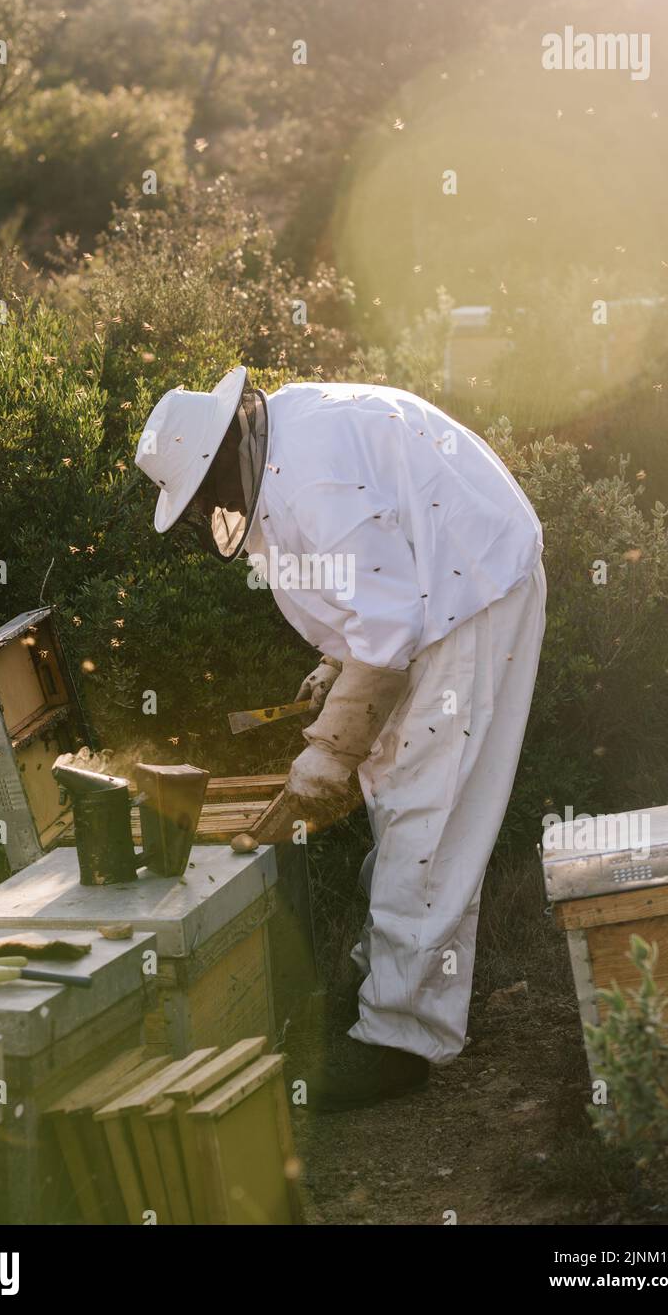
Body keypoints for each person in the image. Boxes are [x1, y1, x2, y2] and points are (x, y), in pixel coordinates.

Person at [135, 366, 546, 1110]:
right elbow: (374, 584)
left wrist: (328, 752)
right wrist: (334, 666)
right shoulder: (289, 442)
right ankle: (381, 978)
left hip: (473, 598)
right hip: (438, 595)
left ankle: (400, 1038)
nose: (213, 511)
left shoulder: (310, 481)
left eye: (208, 493)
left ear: (228, 449)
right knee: (400, 797)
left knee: (429, 813)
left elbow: (388, 626)